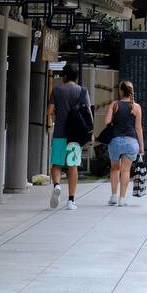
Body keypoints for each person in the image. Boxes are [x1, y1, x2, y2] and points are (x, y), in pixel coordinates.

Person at [47, 63, 87, 211]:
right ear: (76, 76)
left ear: (64, 76)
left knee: (56, 164)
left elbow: (49, 111)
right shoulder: (82, 91)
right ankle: (71, 200)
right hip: (75, 136)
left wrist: (59, 110)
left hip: (59, 133)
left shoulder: (57, 90)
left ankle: (57, 185)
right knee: (72, 166)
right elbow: (87, 112)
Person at [104, 81, 144, 207]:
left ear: (121, 91)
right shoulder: (136, 107)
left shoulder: (114, 104)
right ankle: (122, 199)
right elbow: (138, 128)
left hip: (115, 141)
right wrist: (141, 146)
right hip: (131, 142)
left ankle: (114, 197)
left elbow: (107, 121)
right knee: (125, 170)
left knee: (115, 168)